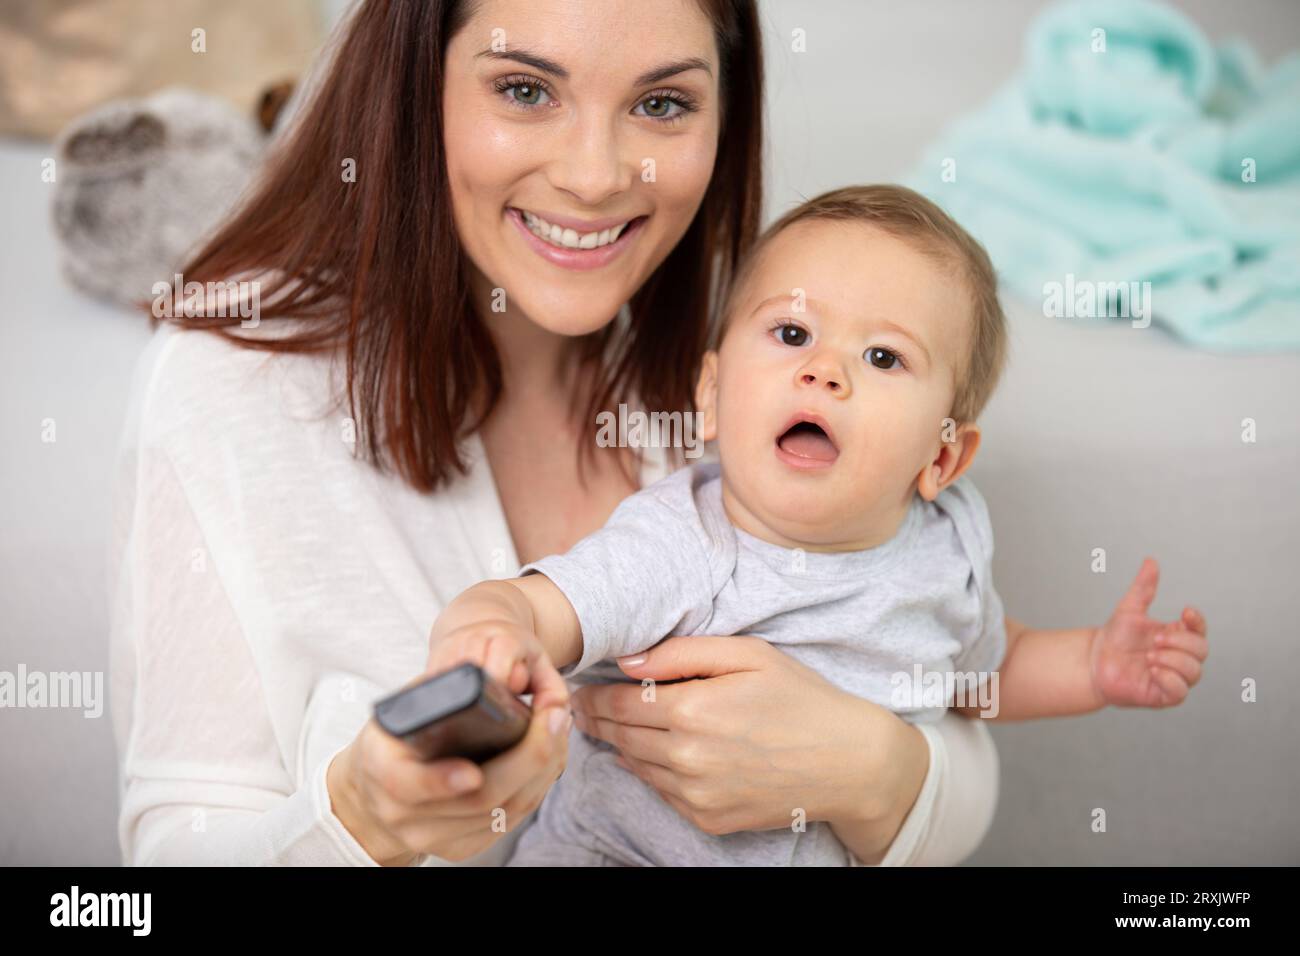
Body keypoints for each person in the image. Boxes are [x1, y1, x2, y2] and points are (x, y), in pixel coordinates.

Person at [109, 0, 1001, 867]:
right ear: (421, 84)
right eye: (526, 91)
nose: (594, 176)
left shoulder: (774, 353)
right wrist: (363, 827)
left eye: (661, 104)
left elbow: (943, 705)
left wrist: (872, 773)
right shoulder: (227, 384)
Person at [423, 184, 1210, 866]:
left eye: (882, 358)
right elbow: (551, 608)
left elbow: (981, 677)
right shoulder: (685, 542)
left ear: (942, 459)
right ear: (712, 393)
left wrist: (1096, 664)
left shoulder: (946, 555)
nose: (823, 370)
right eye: (793, 334)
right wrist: (491, 624)